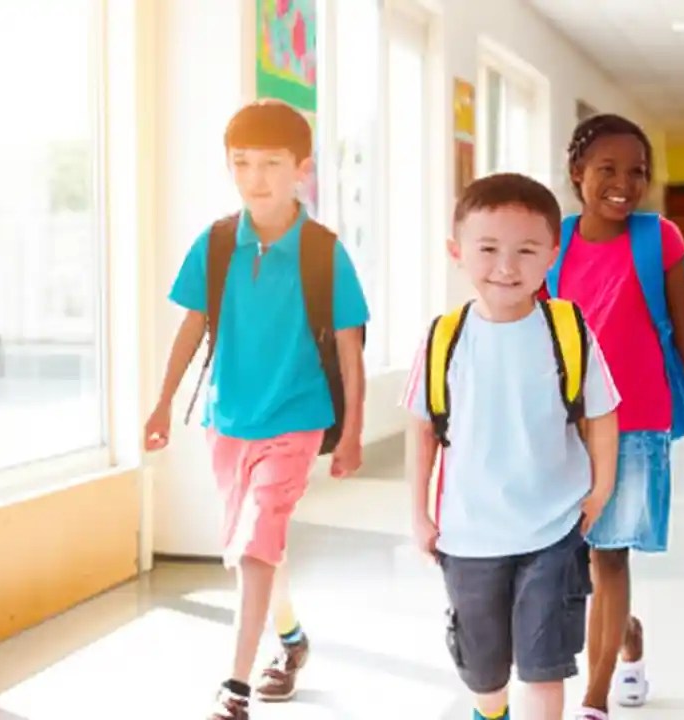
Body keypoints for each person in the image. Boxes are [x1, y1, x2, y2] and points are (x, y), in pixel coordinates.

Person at [143, 98, 369, 720]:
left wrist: (352, 433)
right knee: (258, 544)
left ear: (302, 167)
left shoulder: (324, 252)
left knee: (254, 545)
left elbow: (351, 352)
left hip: (297, 418)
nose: (255, 178)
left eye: (271, 164)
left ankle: (235, 684)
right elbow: (192, 327)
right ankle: (291, 639)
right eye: (242, 163)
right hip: (229, 420)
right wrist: (163, 403)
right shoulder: (216, 244)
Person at [403, 172, 621, 720]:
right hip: (469, 533)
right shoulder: (443, 338)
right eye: (488, 249)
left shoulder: (567, 329)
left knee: (545, 662)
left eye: (526, 250)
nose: (506, 266)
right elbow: (423, 430)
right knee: (484, 666)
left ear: (552, 253)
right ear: (457, 252)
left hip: (552, 527)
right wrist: (418, 515)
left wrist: (601, 489)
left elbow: (602, 413)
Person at [545, 113, 684, 719]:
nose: (624, 183)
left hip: (636, 422)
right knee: (574, 555)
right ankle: (626, 634)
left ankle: (594, 697)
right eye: (607, 170)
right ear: (578, 174)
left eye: (637, 172)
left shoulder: (660, 238)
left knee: (611, 553)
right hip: (567, 425)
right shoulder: (557, 243)